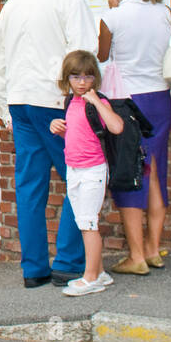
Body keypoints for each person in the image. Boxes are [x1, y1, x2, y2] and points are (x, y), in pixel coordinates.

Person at [0, 0, 98, 289]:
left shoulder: (16, 2)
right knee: (78, 180)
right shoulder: (70, 1)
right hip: (55, 101)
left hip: (20, 101)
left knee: (30, 186)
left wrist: (5, 108)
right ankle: (66, 261)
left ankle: (33, 268)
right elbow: (84, 57)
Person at [98, 0, 171, 275]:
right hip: (160, 101)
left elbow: (100, 54)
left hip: (127, 103)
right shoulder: (167, 14)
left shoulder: (114, 16)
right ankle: (153, 249)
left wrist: (112, 10)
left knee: (128, 173)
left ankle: (136, 256)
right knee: (154, 171)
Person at [48, 51, 120, 297]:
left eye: (88, 77)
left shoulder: (97, 102)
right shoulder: (71, 103)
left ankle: (90, 278)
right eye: (76, 77)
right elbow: (78, 135)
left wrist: (97, 102)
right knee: (82, 222)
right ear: (67, 79)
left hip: (93, 170)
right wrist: (58, 130)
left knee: (89, 224)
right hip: (74, 169)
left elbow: (116, 127)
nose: (82, 82)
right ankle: (98, 272)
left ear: (95, 79)